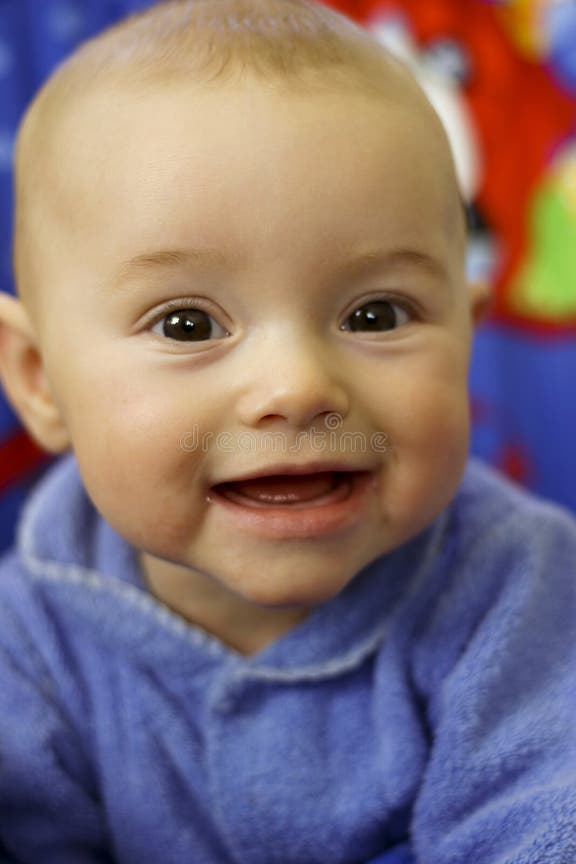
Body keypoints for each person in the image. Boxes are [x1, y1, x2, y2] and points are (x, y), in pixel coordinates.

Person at [0, 0, 574, 861]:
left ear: (465, 334)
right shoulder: (25, 645)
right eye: (188, 325)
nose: (298, 387)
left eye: (377, 313)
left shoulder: (519, 590)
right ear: (41, 382)